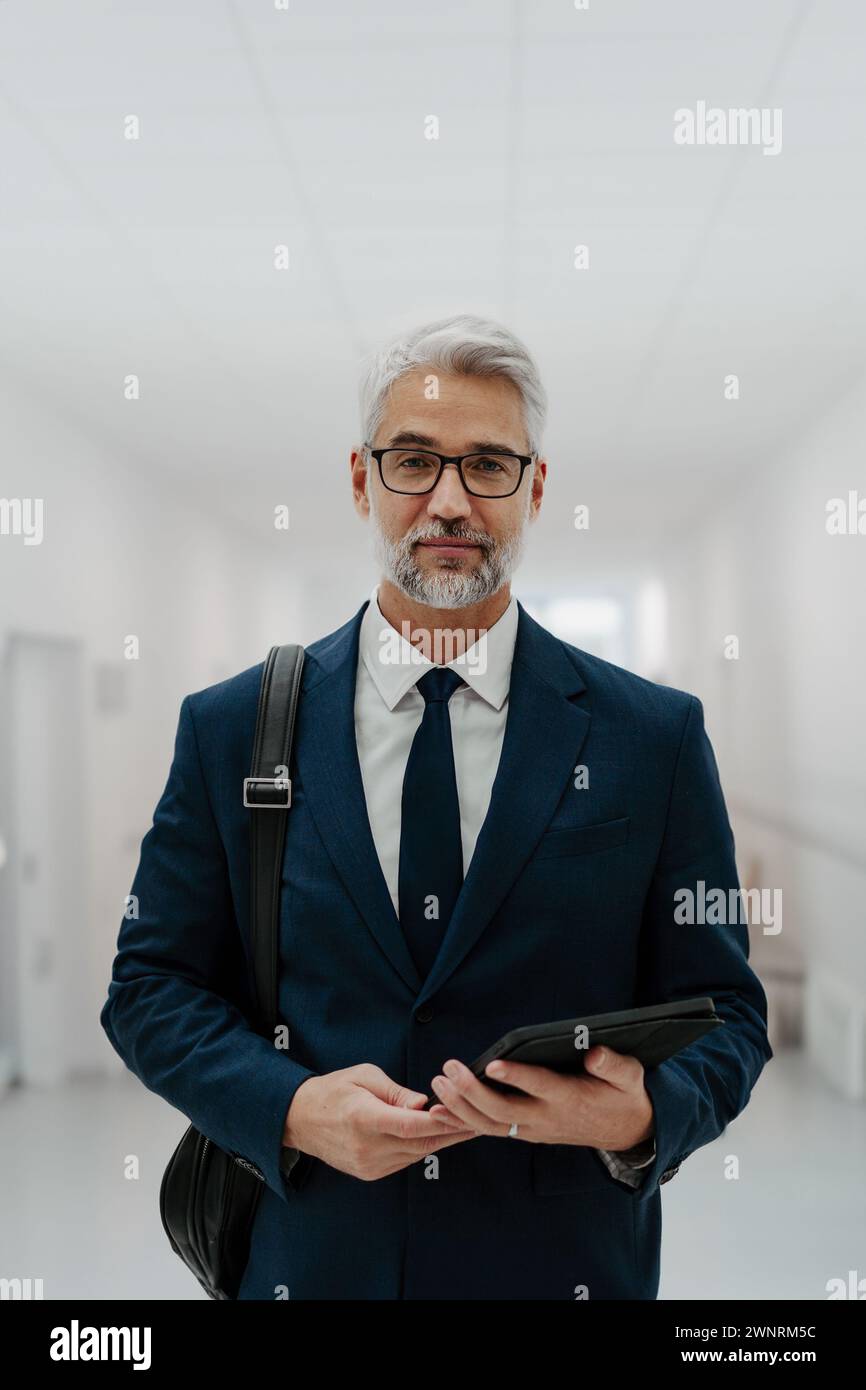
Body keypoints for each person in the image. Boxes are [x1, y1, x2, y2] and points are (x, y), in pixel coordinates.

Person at [100, 313, 773, 1300]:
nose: (449, 501)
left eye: (488, 465)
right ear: (361, 478)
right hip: (313, 1264)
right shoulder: (231, 727)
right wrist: (290, 1107)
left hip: (562, 1268)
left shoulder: (651, 737)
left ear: (534, 488)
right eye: (413, 461)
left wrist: (638, 1115)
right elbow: (150, 987)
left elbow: (729, 1016)